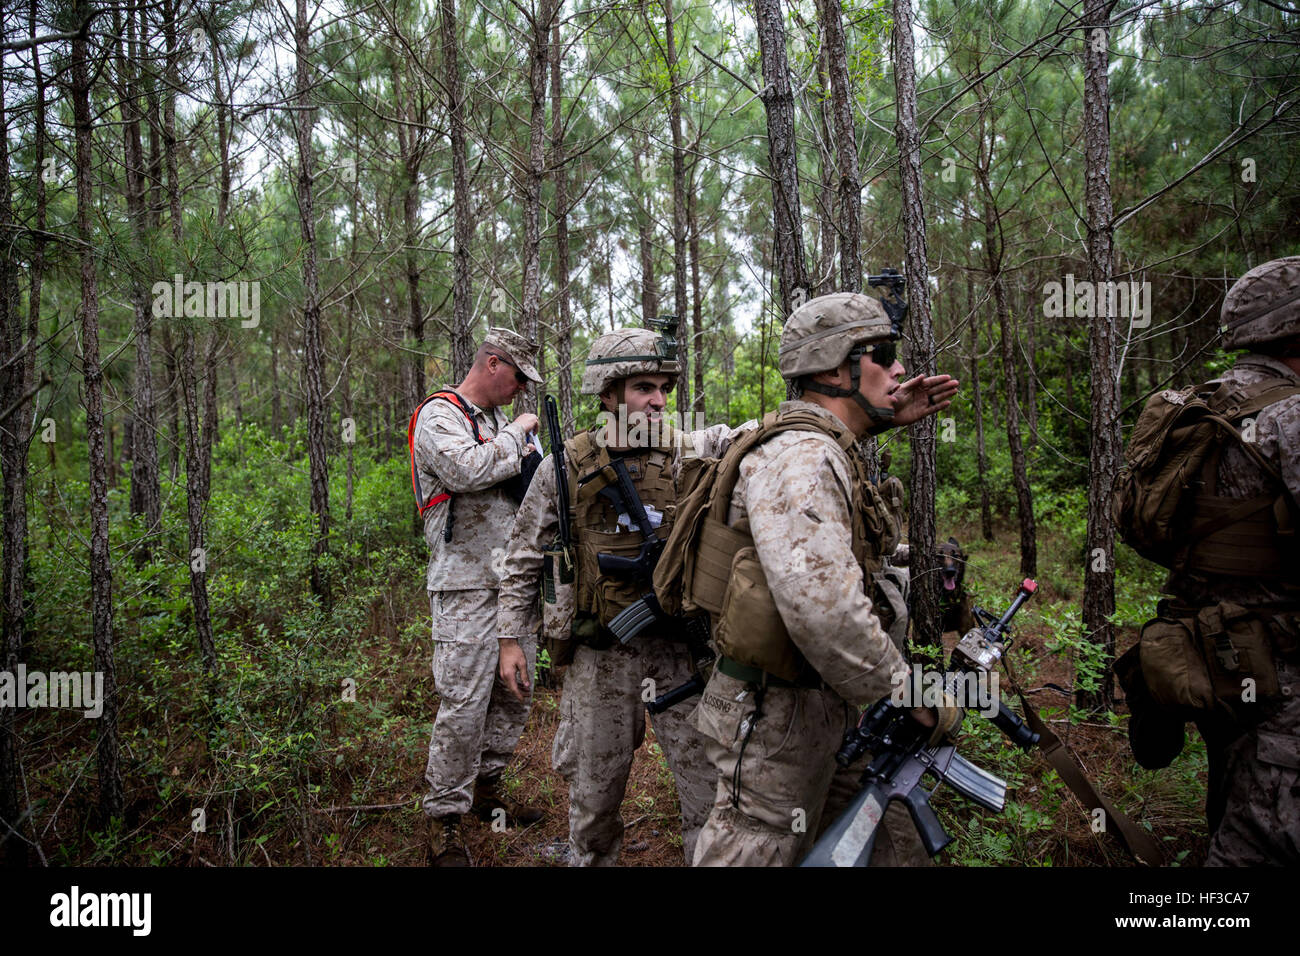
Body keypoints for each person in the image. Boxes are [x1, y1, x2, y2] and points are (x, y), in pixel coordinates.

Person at [688, 291, 961, 866]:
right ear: (835, 368)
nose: (900, 369)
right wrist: (914, 695)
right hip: (775, 723)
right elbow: (825, 610)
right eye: (883, 354)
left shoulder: (829, 449)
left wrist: (879, 417)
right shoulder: (802, 459)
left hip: (825, 706)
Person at [496, 326, 739, 866]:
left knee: (707, 791)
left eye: (663, 389)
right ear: (607, 394)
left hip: (682, 652)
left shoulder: (692, 451)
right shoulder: (565, 467)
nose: (658, 400)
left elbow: (755, 436)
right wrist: (511, 639)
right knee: (594, 793)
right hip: (604, 654)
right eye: (642, 388)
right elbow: (520, 559)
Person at [1134, 257, 1300, 865]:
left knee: (1235, 787)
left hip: (1212, 653)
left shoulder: (1204, 405)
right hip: (1281, 667)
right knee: (1263, 836)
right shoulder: (1291, 417)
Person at [411, 327, 545, 866]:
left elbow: (533, 485)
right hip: (465, 587)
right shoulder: (439, 415)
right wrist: (517, 435)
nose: (521, 389)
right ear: (493, 364)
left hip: (514, 583)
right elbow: (466, 469)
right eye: (517, 376)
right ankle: (445, 818)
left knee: (515, 694)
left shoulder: (496, 423)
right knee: (463, 703)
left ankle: (486, 791)